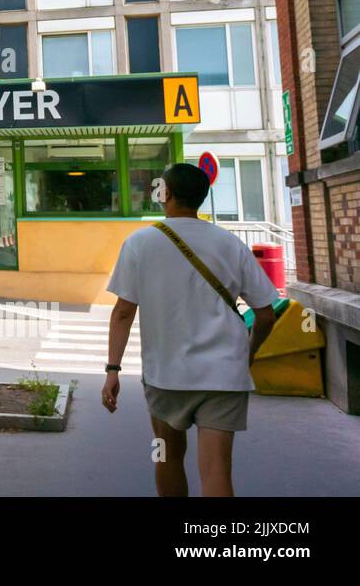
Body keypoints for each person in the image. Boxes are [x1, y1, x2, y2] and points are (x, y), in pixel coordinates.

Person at [101, 163, 278, 497]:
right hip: (224, 376)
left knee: (167, 457)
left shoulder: (140, 243)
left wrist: (113, 370)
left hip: (166, 375)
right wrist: (248, 354)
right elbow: (266, 315)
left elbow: (123, 312)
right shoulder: (231, 243)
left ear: (165, 194)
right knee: (217, 471)